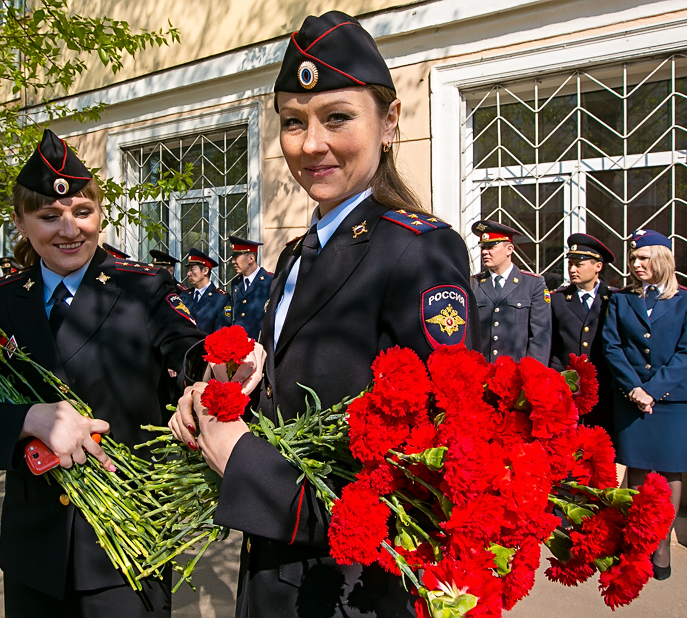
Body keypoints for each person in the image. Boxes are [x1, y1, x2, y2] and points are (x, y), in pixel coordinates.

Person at [169, 12, 478, 618]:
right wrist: (216, 396)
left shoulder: (418, 250)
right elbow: (289, 393)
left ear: (389, 122)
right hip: (273, 566)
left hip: (347, 588)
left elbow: (422, 470)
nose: (311, 144)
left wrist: (241, 461)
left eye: (337, 117)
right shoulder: (298, 252)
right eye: (293, 122)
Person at [0, 129, 215, 618]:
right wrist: (29, 419)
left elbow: (188, 348)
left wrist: (215, 368)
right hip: (35, 548)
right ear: (20, 222)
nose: (70, 229)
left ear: (100, 214)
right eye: (49, 216)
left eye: (82, 212)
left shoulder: (143, 288)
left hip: (129, 543)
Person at [602, 229, 687, 581]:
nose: (636, 264)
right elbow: (612, 346)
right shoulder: (621, 299)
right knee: (638, 469)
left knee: (670, 471)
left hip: (673, 400)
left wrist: (652, 390)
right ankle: (637, 541)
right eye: (633, 258)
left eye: (643, 257)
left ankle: (661, 543)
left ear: (662, 259)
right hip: (631, 397)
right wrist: (634, 388)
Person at [549, 233, 617, 437]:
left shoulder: (614, 298)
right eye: (570, 264)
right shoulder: (558, 300)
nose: (572, 270)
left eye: (579, 265)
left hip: (605, 388)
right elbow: (552, 344)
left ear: (598, 266)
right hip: (567, 388)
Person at [469, 220, 551, 364]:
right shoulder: (473, 283)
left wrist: (531, 373)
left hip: (516, 372)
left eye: (491, 247)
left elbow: (540, 337)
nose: (484, 252)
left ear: (509, 249)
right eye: (483, 247)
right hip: (481, 371)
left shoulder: (533, 284)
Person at [228, 236, 272, 340]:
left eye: (236, 257)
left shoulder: (270, 281)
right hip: (239, 343)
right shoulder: (236, 282)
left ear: (251, 259)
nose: (233, 262)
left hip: (260, 343)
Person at [183, 248, 232, 333]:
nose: (188, 274)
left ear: (205, 271)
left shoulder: (220, 298)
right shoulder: (184, 296)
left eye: (192, 269)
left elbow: (221, 332)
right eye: (188, 270)